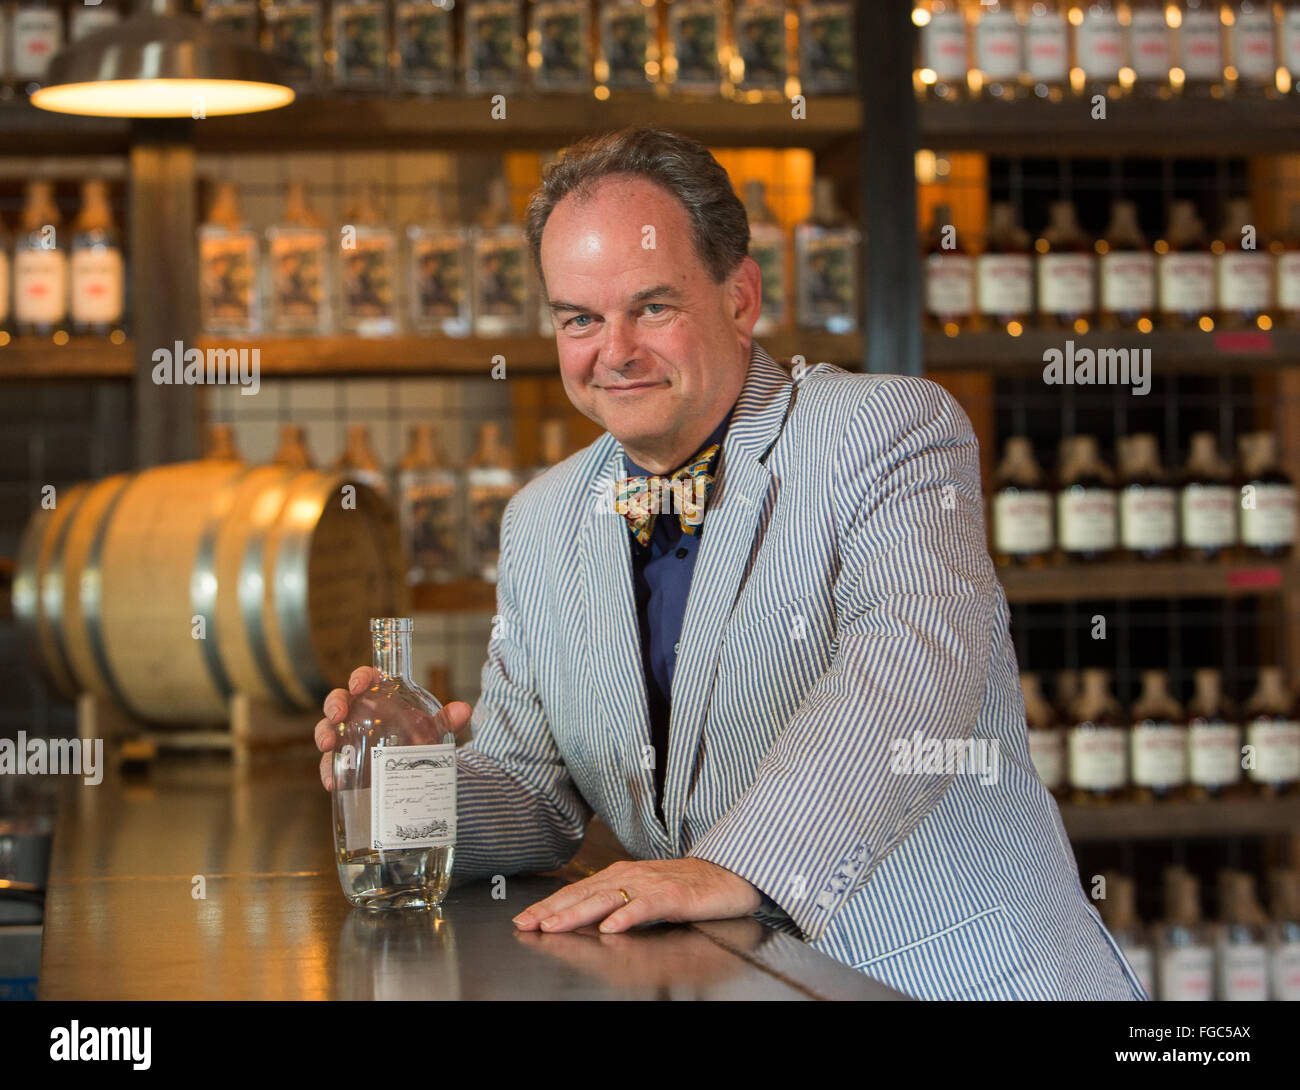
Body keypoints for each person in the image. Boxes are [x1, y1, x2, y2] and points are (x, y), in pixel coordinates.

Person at [314, 126, 1147, 1001]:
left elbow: (907, 669)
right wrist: (408, 779)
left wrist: (725, 867)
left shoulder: (886, 430)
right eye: (579, 320)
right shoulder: (542, 521)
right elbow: (534, 789)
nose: (616, 350)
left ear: (741, 298)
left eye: (654, 307)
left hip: (953, 981)